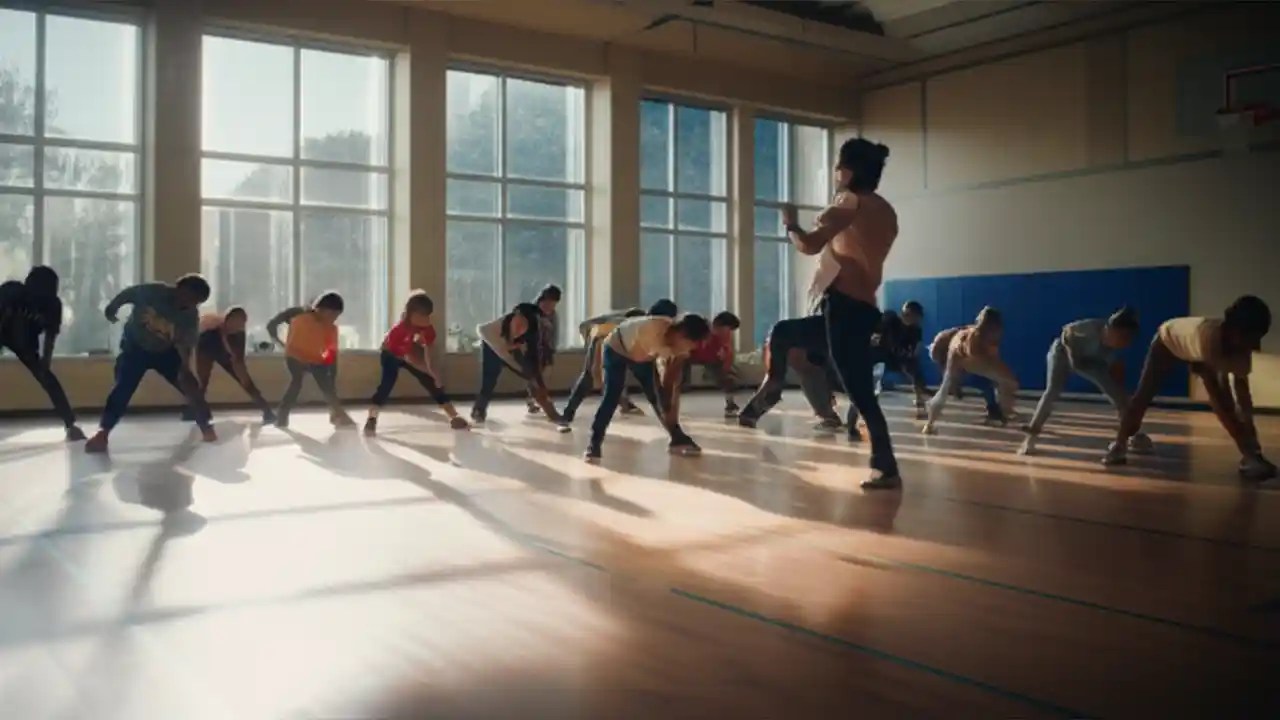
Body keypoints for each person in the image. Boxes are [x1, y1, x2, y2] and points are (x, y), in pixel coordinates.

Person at [777, 137, 903, 489]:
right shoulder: (885, 210)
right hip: (864, 307)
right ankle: (882, 461)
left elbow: (809, 244)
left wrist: (790, 223)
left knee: (857, 388)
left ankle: (885, 463)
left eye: (837, 166)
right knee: (844, 374)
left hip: (844, 307)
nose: (834, 174)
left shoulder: (848, 201)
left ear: (846, 171)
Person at [1105, 296, 1275, 479]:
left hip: (1194, 351)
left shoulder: (1242, 344)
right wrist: (1247, 448)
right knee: (1142, 397)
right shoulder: (1211, 338)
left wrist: (1254, 446)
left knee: (1234, 407)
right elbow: (1220, 400)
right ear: (1235, 330)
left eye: (1257, 338)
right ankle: (1119, 444)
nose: (1253, 345)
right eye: (1250, 338)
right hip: (1167, 342)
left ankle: (1249, 457)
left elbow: (1243, 397)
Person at [85, 274, 215, 453]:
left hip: (165, 352)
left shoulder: (190, 316)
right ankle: (103, 433)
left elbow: (186, 345)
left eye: (194, 302)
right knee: (123, 388)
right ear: (178, 287)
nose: (186, 303)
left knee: (190, 385)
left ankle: (205, 425)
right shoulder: (154, 292)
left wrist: (185, 369)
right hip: (135, 348)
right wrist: (113, 306)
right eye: (186, 296)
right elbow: (129, 294)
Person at [573, 313, 711, 462]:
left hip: (642, 356)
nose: (693, 348)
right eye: (693, 343)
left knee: (658, 398)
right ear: (682, 334)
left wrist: (666, 403)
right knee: (612, 396)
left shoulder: (678, 348)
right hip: (616, 348)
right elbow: (660, 373)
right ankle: (594, 444)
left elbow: (670, 380)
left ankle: (677, 438)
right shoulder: (651, 330)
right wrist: (663, 397)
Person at [1019, 307, 1147, 455]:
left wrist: (1120, 394)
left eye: (1129, 339)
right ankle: (1031, 436)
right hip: (1062, 352)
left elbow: (1116, 378)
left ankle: (1133, 434)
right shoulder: (1092, 327)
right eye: (1123, 337)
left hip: (1089, 362)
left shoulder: (1111, 351)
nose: (1125, 343)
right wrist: (1072, 357)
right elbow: (1066, 332)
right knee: (1053, 390)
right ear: (1110, 329)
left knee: (1117, 395)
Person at [365, 291, 468, 435]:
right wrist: (426, 369)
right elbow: (408, 358)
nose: (426, 319)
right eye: (422, 316)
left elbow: (428, 352)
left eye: (428, 315)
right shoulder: (398, 331)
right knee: (386, 384)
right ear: (411, 314)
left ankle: (454, 416)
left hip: (410, 351)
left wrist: (433, 373)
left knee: (432, 382)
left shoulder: (427, 328)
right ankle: (372, 418)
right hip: (391, 354)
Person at [0, 266, 85, 440]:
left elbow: (50, 338)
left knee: (48, 379)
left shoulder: (53, 306)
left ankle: (70, 424)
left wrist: (44, 365)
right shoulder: (12, 291)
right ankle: (70, 423)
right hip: (4, 329)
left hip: (27, 342)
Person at [922, 307, 1018, 435]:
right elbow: (976, 358)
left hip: (962, 358)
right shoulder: (970, 337)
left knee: (945, 390)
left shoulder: (979, 335)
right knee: (1007, 381)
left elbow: (989, 360)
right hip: (962, 357)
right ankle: (1002, 410)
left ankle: (929, 424)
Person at [471, 302, 566, 427]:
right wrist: (506, 348)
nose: (519, 329)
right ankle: (479, 410)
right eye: (518, 323)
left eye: (523, 326)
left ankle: (550, 411)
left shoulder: (532, 333)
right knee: (490, 379)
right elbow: (481, 329)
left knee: (532, 374)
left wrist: (538, 381)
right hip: (491, 347)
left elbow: (533, 358)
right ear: (514, 316)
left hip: (511, 349)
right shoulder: (496, 326)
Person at [272, 292, 355, 429]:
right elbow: (294, 344)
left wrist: (330, 371)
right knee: (296, 383)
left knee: (327, 387)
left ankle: (337, 414)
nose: (334, 319)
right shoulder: (301, 320)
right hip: (295, 357)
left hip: (315, 359)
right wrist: (309, 360)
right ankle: (282, 417)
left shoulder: (331, 328)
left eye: (337, 316)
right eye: (332, 314)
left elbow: (331, 352)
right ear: (320, 309)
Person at [188, 307, 276, 424]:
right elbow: (196, 339)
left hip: (226, 355)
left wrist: (242, 375)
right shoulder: (210, 327)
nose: (236, 326)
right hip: (206, 349)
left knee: (246, 383)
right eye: (234, 322)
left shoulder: (239, 335)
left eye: (240, 323)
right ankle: (196, 411)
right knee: (202, 382)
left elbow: (239, 361)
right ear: (227, 320)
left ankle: (267, 410)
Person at [567, 307, 648, 417]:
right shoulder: (618, 323)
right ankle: (569, 411)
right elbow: (585, 326)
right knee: (590, 375)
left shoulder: (630, 324)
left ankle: (624, 404)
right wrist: (588, 342)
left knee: (615, 373)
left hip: (608, 339)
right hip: (599, 337)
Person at [874, 301, 929, 415]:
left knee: (916, 372)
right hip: (880, 353)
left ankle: (920, 401)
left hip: (900, 356)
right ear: (908, 314)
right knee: (872, 379)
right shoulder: (891, 320)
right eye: (915, 317)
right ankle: (868, 406)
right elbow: (877, 332)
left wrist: (914, 352)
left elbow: (917, 345)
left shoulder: (915, 329)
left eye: (917, 319)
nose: (916, 321)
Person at [684, 311, 741, 417]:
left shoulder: (724, 338)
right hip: (691, 355)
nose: (728, 333)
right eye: (728, 329)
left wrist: (725, 369)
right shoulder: (702, 330)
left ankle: (730, 404)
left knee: (728, 380)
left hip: (711, 360)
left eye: (730, 331)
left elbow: (728, 354)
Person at [526, 284, 562, 415]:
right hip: (533, 348)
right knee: (534, 376)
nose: (550, 306)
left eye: (553, 304)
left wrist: (553, 347)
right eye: (549, 303)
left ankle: (537, 398)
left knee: (544, 374)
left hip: (546, 348)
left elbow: (555, 332)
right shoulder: (532, 311)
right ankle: (534, 400)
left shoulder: (553, 314)